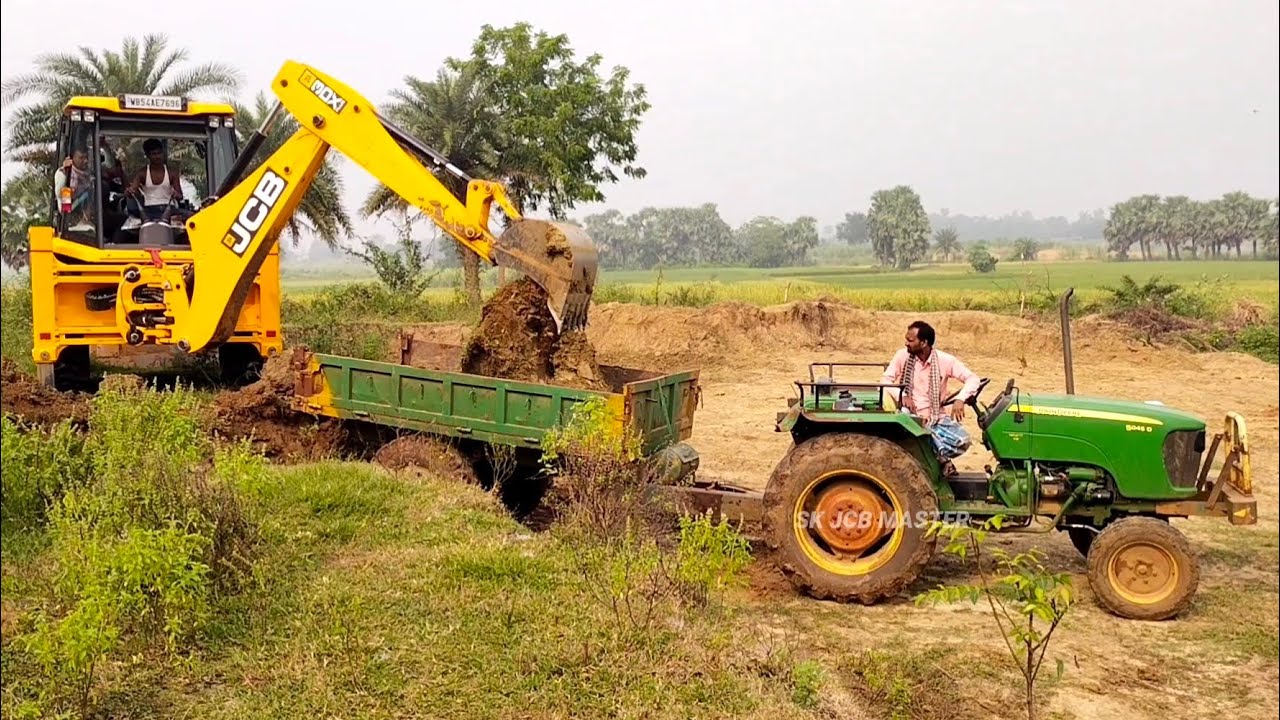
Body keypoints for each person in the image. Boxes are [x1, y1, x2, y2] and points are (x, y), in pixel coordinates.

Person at [880, 320, 981, 473]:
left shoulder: (945, 361)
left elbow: (973, 379)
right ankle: (939, 458)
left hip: (935, 416)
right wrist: (903, 395)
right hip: (910, 416)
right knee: (914, 427)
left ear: (924, 342)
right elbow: (885, 380)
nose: (906, 343)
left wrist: (961, 398)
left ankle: (934, 454)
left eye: (910, 340)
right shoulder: (902, 356)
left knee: (963, 441)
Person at [122, 138, 183, 229]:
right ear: (148, 156)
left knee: (193, 218)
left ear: (163, 153)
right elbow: (132, 191)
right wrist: (129, 192)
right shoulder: (142, 173)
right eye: (153, 154)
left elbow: (180, 196)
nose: (157, 156)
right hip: (148, 211)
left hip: (170, 210)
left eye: (159, 153)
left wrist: (176, 195)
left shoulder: (172, 173)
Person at [53, 148, 95, 232]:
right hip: (68, 210)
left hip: (86, 207)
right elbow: (59, 194)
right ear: (72, 158)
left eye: (86, 157)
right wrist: (66, 172)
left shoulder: (87, 173)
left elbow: (110, 166)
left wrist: (105, 147)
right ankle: (79, 221)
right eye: (81, 158)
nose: (85, 161)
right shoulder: (63, 173)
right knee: (87, 192)